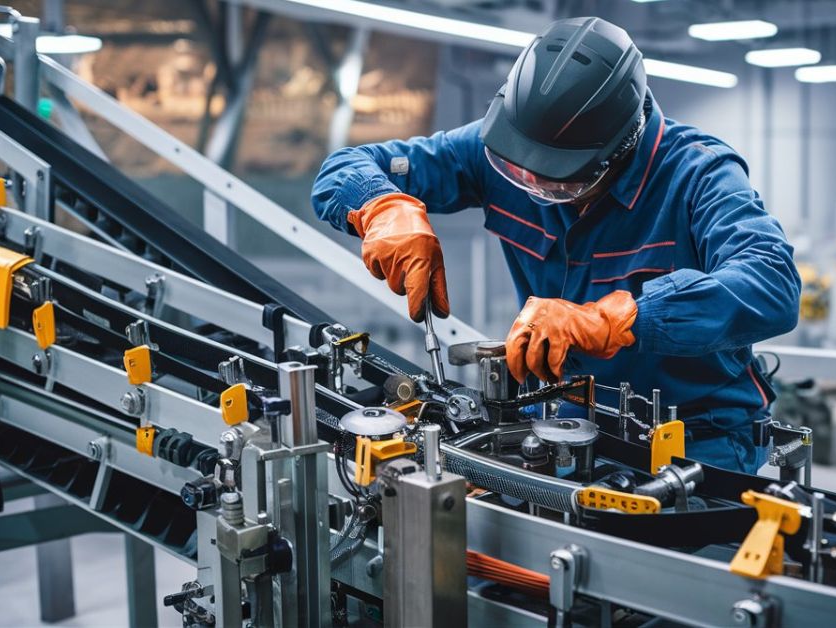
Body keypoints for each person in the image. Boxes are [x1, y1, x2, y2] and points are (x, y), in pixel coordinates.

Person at [312, 17, 800, 473]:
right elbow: (344, 167)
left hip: (696, 436)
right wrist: (382, 207)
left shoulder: (699, 173)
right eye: (518, 170)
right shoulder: (510, 145)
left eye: (557, 180)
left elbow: (771, 284)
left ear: (616, 153)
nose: (531, 184)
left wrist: (617, 319)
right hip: (559, 420)